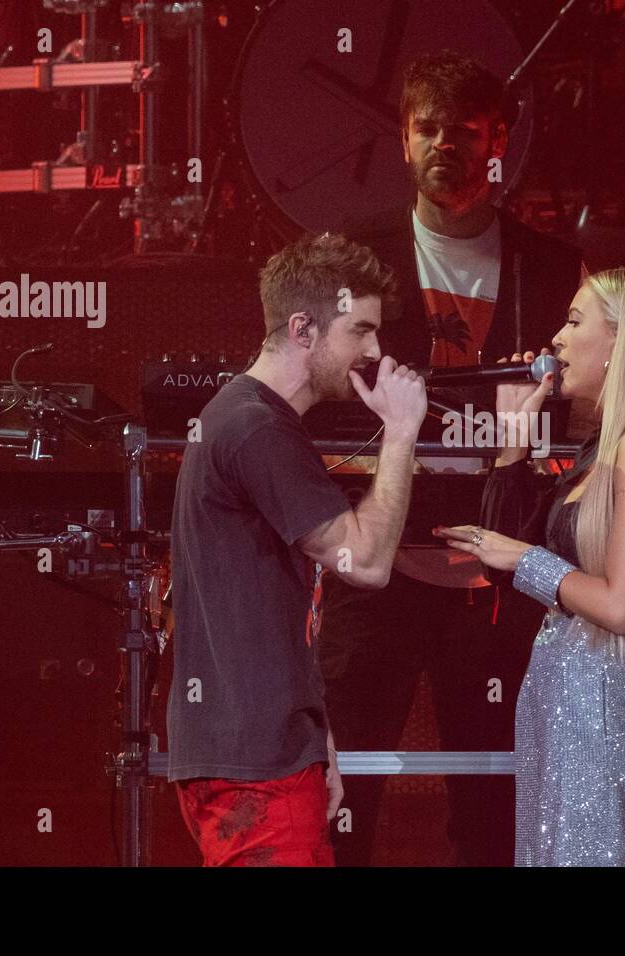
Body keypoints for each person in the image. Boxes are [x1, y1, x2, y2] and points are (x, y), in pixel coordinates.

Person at [317, 50, 584, 866]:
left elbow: (584, 416)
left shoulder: (554, 268)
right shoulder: (353, 262)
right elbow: (314, 399)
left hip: (496, 575)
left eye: (465, 132)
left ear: (498, 142)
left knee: (496, 804)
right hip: (378, 564)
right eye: (426, 128)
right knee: (342, 794)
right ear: (402, 141)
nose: (444, 146)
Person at [436, 266, 625, 866]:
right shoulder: (606, 448)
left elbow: (621, 606)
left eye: (573, 320)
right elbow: (507, 567)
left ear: (624, 339)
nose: (555, 340)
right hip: (563, 688)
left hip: (601, 703)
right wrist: (515, 438)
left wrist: (524, 557)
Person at [167, 233, 427, 866]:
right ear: (303, 328)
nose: (374, 350)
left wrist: (319, 740)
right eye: (360, 331)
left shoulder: (254, 420)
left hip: (269, 751)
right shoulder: (256, 429)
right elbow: (364, 563)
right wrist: (399, 434)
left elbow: (274, 616)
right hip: (254, 762)